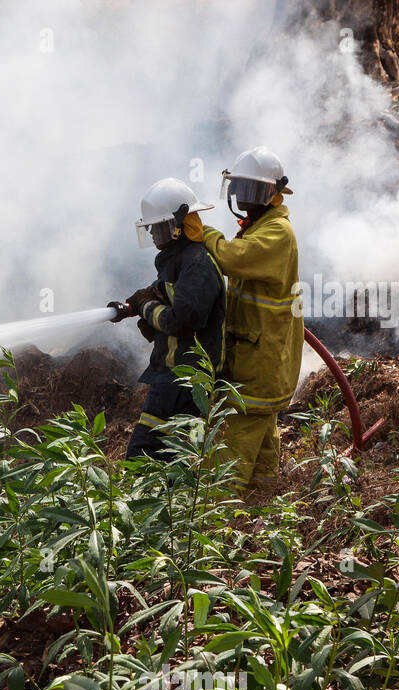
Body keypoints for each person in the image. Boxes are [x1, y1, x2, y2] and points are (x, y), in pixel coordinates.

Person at [200, 146, 303, 490]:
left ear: (271, 194)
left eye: (251, 190)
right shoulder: (259, 226)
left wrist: (205, 235)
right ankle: (263, 499)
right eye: (239, 188)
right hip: (256, 350)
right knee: (262, 426)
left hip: (261, 356)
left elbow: (235, 259)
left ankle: (220, 516)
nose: (242, 198)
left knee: (236, 439)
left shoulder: (276, 232)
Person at [111, 178, 225, 462]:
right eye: (149, 227)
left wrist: (146, 305)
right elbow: (167, 291)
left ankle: (155, 505)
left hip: (185, 378)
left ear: (177, 225)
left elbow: (180, 321)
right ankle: (172, 504)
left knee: (143, 454)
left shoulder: (195, 263)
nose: (151, 233)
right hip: (175, 375)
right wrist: (133, 306)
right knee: (166, 457)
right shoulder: (179, 259)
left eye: (157, 227)